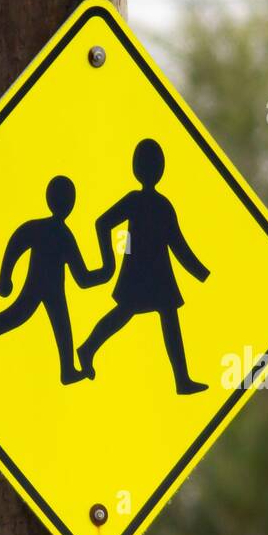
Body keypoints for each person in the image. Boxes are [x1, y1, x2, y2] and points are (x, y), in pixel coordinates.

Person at [77, 138, 210, 395]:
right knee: (130, 314)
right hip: (142, 272)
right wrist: (109, 262)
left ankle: (181, 380)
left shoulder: (158, 204)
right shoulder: (149, 202)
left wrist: (201, 273)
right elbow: (103, 223)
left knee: (157, 315)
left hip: (154, 273)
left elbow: (176, 242)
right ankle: (87, 348)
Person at [0, 175, 105, 384]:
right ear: (71, 203)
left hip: (51, 288)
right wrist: (4, 276)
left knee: (47, 321)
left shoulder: (49, 230)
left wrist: (104, 274)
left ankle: (67, 369)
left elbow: (81, 277)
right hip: (40, 286)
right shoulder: (61, 234)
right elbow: (82, 277)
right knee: (26, 315)